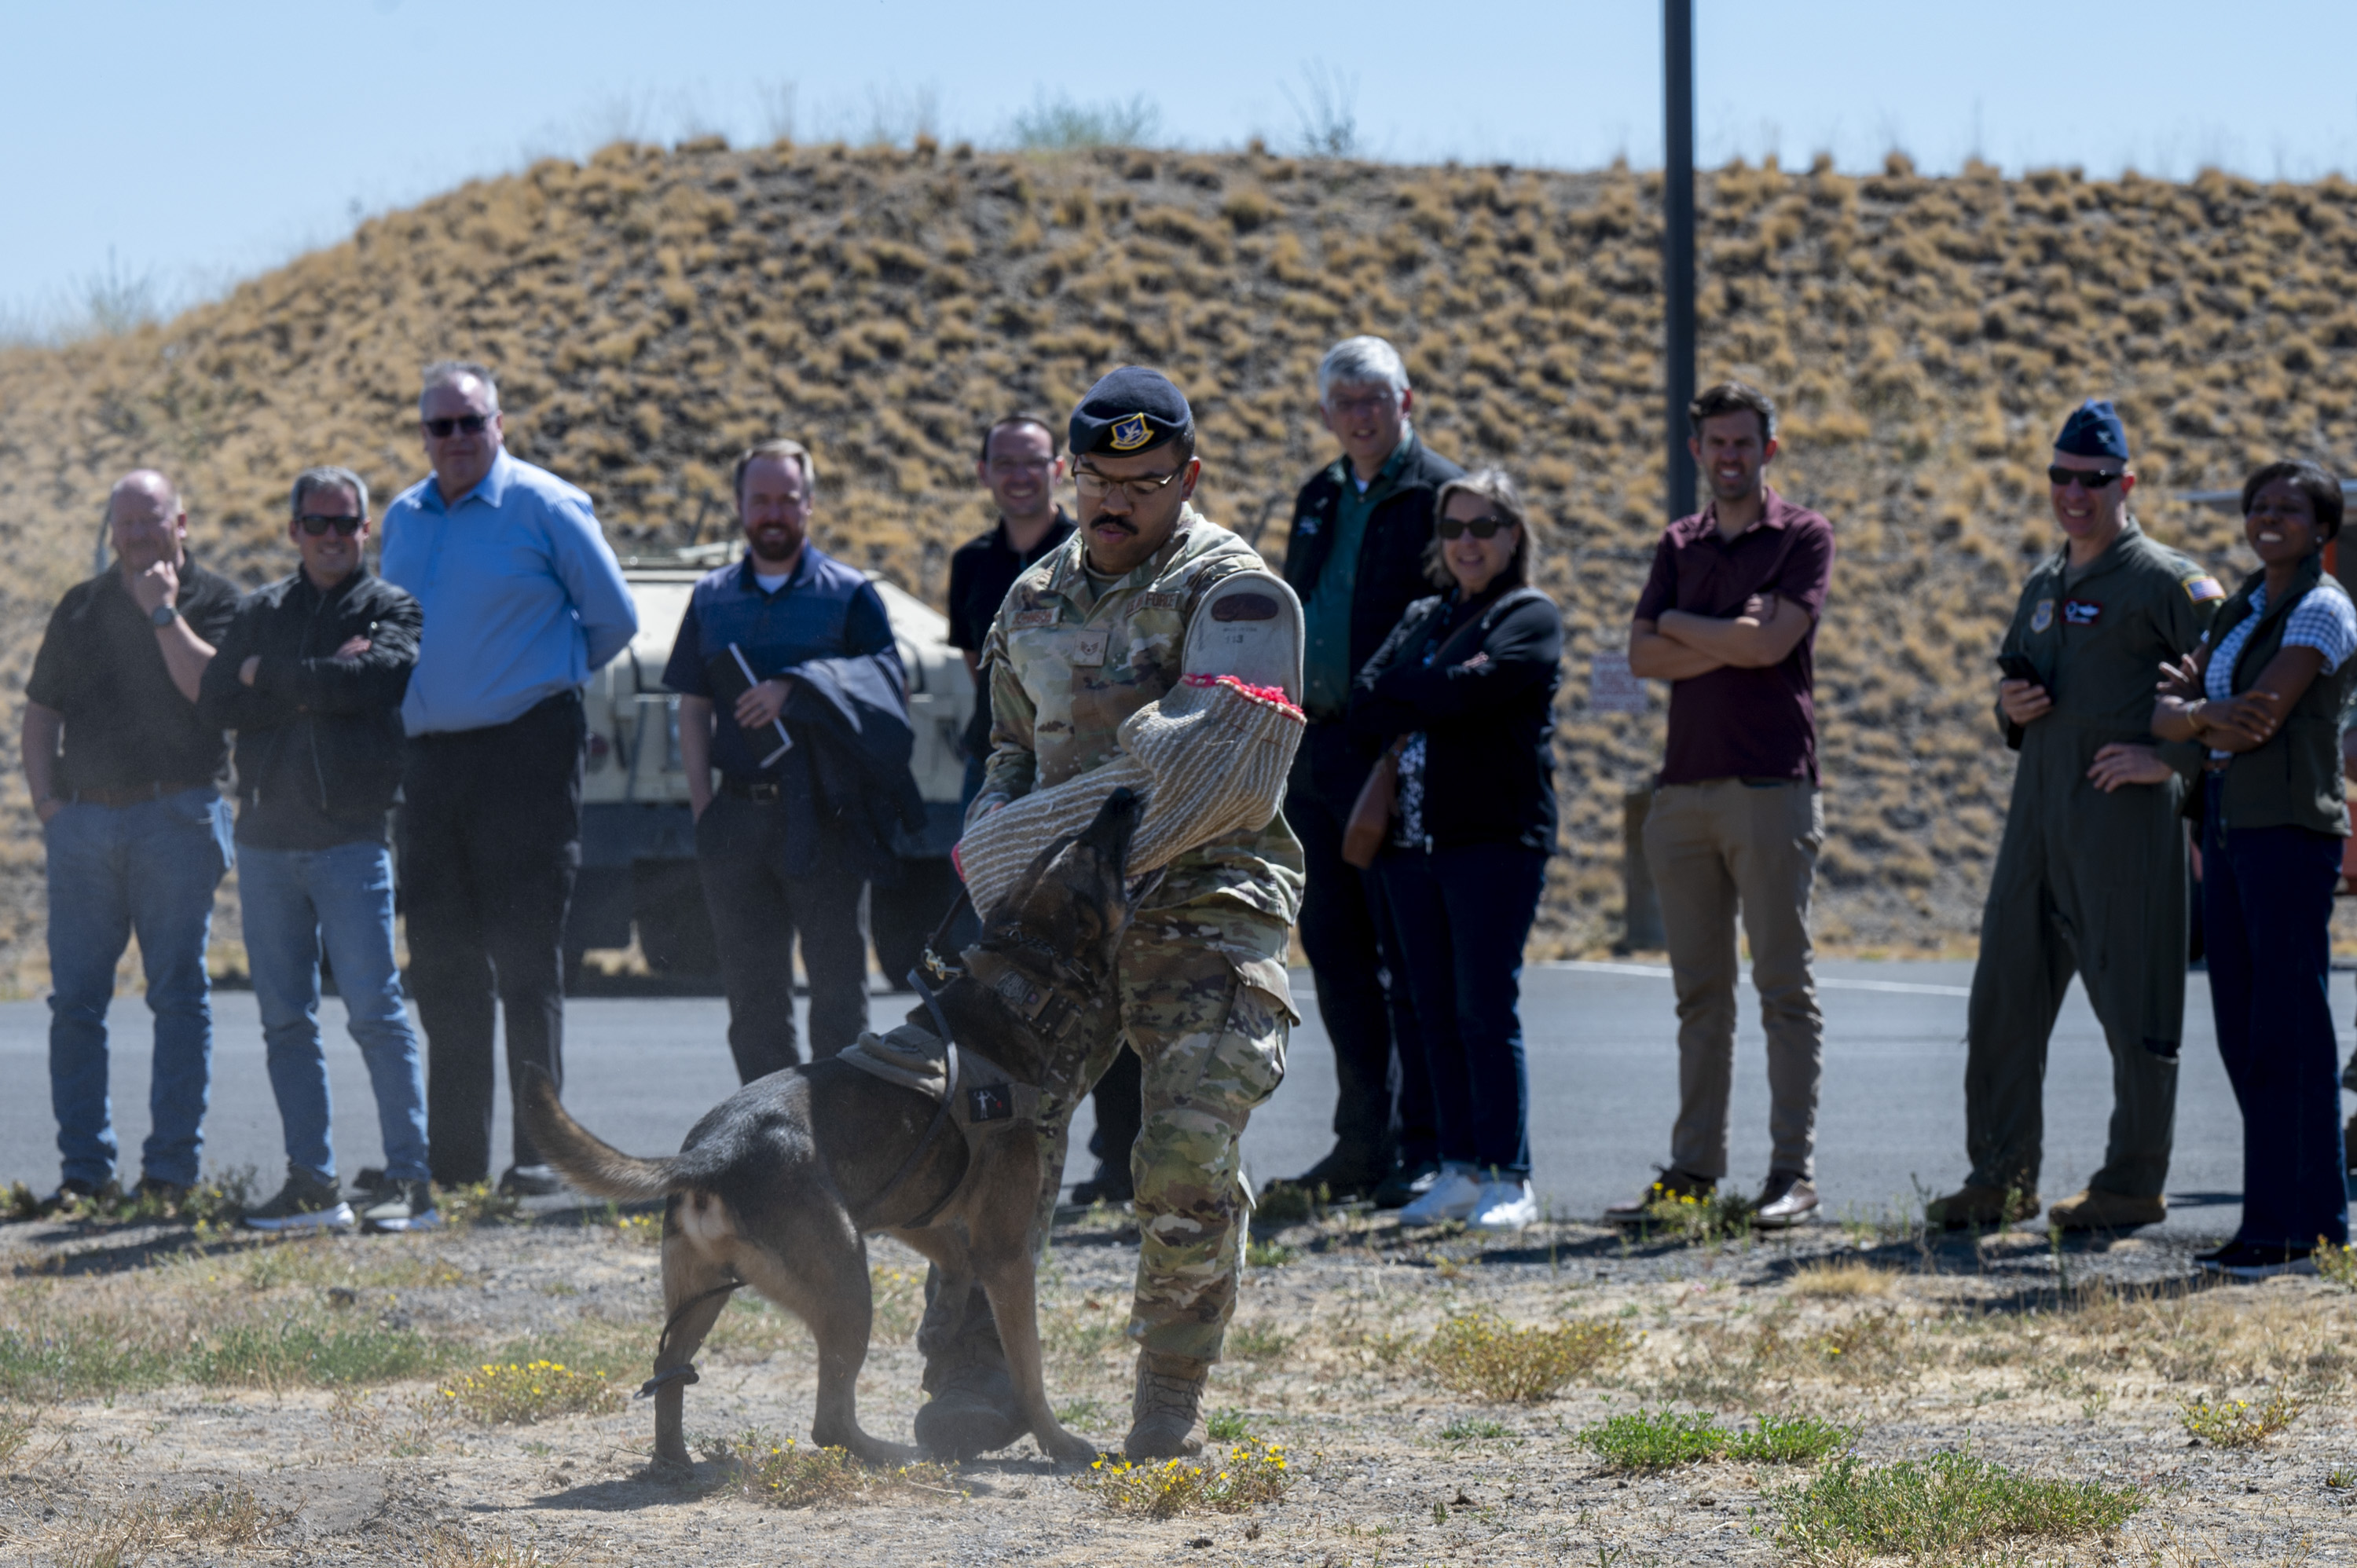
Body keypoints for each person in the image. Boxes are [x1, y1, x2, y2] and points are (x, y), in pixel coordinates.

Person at [927, 365, 1303, 1464]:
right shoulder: (1031, 598)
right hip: (1057, 912)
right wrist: (998, 838)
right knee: (987, 1121)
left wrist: (1070, 825)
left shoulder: (1233, 594)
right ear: (1067, 475)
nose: (1117, 501)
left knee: (1184, 1144)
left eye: (1145, 481)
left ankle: (1166, 1402)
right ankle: (975, 1377)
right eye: (1099, 478)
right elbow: (1004, 746)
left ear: (1187, 477)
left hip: (1205, 895)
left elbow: (1227, 774)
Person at [1924, 399, 2221, 1233]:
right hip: (2036, 826)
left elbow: (2231, 684)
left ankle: (2132, 1181)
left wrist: (2170, 760)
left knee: (2136, 1009)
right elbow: (2019, 702)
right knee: (2003, 1003)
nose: (2074, 493)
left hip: (2123, 829)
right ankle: (2001, 1176)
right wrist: (2008, 708)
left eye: (2092, 479)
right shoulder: (2044, 582)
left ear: (2126, 482)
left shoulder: (2169, 581)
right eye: (2061, 476)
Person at [379, 361, 638, 1196]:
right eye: (438, 426)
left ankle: (540, 1160)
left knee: (527, 969)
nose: (454, 439)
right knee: (445, 969)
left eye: (469, 421)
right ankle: (454, 1169)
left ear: (499, 422)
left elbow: (613, 620)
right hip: (430, 767)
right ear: (424, 435)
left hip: (525, 756)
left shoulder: (545, 503)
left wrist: (538, 681)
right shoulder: (404, 517)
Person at [1612, 380, 1835, 1231]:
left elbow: (1773, 643)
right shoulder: (1680, 541)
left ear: (1768, 450)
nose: (1731, 456)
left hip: (1771, 786)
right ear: (1698, 451)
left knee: (1783, 986)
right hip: (1685, 792)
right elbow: (1640, 655)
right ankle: (1693, 1172)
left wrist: (1685, 627)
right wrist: (1721, 636)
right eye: (1717, 443)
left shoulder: (1803, 535)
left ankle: (1792, 1174)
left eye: (1746, 442)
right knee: (1700, 995)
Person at [199, 467, 435, 1233]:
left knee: (376, 1012)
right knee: (286, 1021)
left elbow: (377, 679)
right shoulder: (261, 607)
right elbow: (215, 695)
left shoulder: (392, 607)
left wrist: (269, 673)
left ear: (365, 530)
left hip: (351, 839)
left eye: (346, 523)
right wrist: (318, 678)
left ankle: (410, 1182)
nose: (332, 536)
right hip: (265, 843)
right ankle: (313, 1185)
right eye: (318, 522)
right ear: (295, 529)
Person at [2151, 460, 2355, 1276]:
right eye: (2259, 505)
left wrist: (2196, 718)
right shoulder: (2243, 605)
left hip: (2289, 834)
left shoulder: (2324, 609)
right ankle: (2267, 1221)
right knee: (2243, 1034)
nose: (2270, 518)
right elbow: (2167, 706)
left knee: (2291, 1033)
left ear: (2324, 529)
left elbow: (2258, 721)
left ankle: (2314, 1231)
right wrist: (2202, 716)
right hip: (2230, 830)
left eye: (2291, 509)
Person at [665, 438, 919, 1081]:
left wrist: (799, 687)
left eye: (787, 499)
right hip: (737, 820)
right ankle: (767, 1154)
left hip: (830, 820)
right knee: (753, 1003)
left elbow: (890, 685)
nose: (773, 512)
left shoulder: (851, 595)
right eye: (760, 500)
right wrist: (703, 807)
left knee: (837, 998)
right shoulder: (710, 597)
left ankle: (839, 1153)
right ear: (739, 505)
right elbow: (692, 706)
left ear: (809, 504)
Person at [1277, 335, 1464, 1207]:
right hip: (1314, 750)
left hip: (1392, 755)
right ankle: (1361, 1144)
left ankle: (1424, 1146)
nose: (1360, 416)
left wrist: (1404, 729)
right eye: (1345, 403)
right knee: (1338, 956)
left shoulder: (1440, 493)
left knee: (1408, 956)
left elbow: (1456, 619)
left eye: (1375, 399)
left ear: (1407, 401)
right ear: (1325, 413)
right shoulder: (1317, 494)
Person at [1351, 469, 1562, 1231]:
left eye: (1483, 526)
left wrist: (1429, 688)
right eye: (1454, 528)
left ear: (1513, 536)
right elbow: (1368, 695)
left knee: (1483, 1007)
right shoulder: (1427, 615)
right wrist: (1435, 684)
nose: (1467, 542)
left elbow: (1477, 691)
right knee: (1429, 1010)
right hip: (1410, 845)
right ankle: (1460, 1166)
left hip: (1494, 843)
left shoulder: (1529, 615)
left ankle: (1512, 1175)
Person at [24, 470, 239, 1211]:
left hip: (175, 818)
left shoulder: (217, 600)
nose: (139, 537)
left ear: (182, 523)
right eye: (127, 525)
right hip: (83, 823)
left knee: (179, 997)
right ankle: (85, 1176)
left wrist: (161, 612)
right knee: (76, 1006)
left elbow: (212, 693)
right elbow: (40, 711)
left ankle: (170, 1176)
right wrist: (48, 804)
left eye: (153, 523)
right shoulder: (80, 608)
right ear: (111, 529)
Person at [944, 417, 1127, 1200]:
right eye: (1004, 462)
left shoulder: (1093, 552)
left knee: (1103, 971)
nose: (1019, 475)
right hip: (1003, 775)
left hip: (1085, 783)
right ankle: (1001, 1151)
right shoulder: (973, 564)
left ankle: (1120, 1156)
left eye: (1033, 461)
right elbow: (984, 681)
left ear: (1058, 468)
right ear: (986, 471)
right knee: (1000, 970)